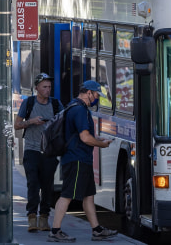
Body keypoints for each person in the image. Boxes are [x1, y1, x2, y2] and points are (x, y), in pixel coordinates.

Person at [48, 80, 117, 243]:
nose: (96, 99)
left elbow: (80, 134)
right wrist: (101, 144)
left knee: (88, 196)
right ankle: (55, 231)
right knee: (67, 195)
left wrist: (98, 138)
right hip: (76, 159)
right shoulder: (79, 110)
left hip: (79, 158)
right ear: (88, 93)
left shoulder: (73, 106)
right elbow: (85, 138)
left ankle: (97, 230)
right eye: (96, 95)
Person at [15, 72, 63, 232]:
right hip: (31, 150)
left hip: (49, 152)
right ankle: (31, 217)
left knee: (47, 186)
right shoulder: (28, 103)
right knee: (33, 184)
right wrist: (31, 122)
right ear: (37, 88)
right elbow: (17, 125)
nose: (48, 90)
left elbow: (64, 124)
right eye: (44, 87)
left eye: (49, 87)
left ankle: (44, 217)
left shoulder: (56, 105)